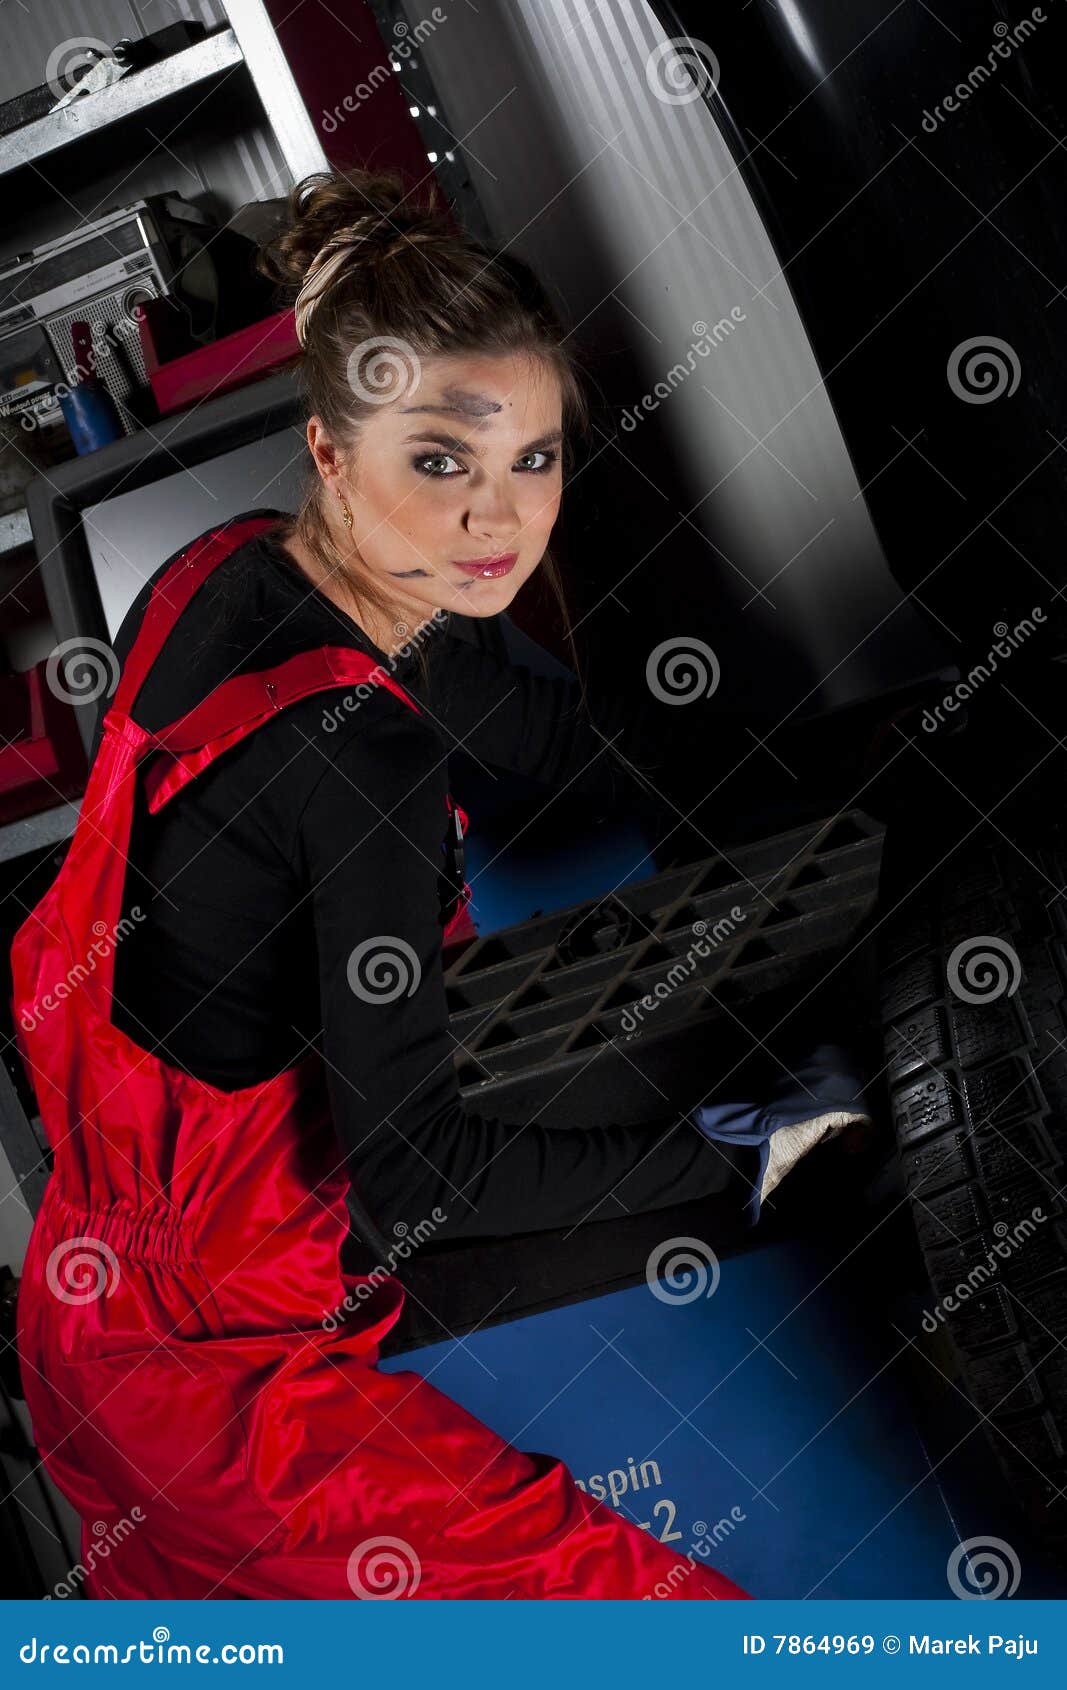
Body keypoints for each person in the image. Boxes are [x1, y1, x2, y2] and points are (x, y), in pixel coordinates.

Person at [10, 166, 751, 1599]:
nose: (496, 522)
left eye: (530, 458)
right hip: (229, 1395)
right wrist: (741, 1153)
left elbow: (524, 715)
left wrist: (762, 740)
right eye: (441, 459)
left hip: (87, 1322)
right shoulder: (365, 772)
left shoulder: (217, 574)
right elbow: (425, 1175)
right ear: (334, 451)